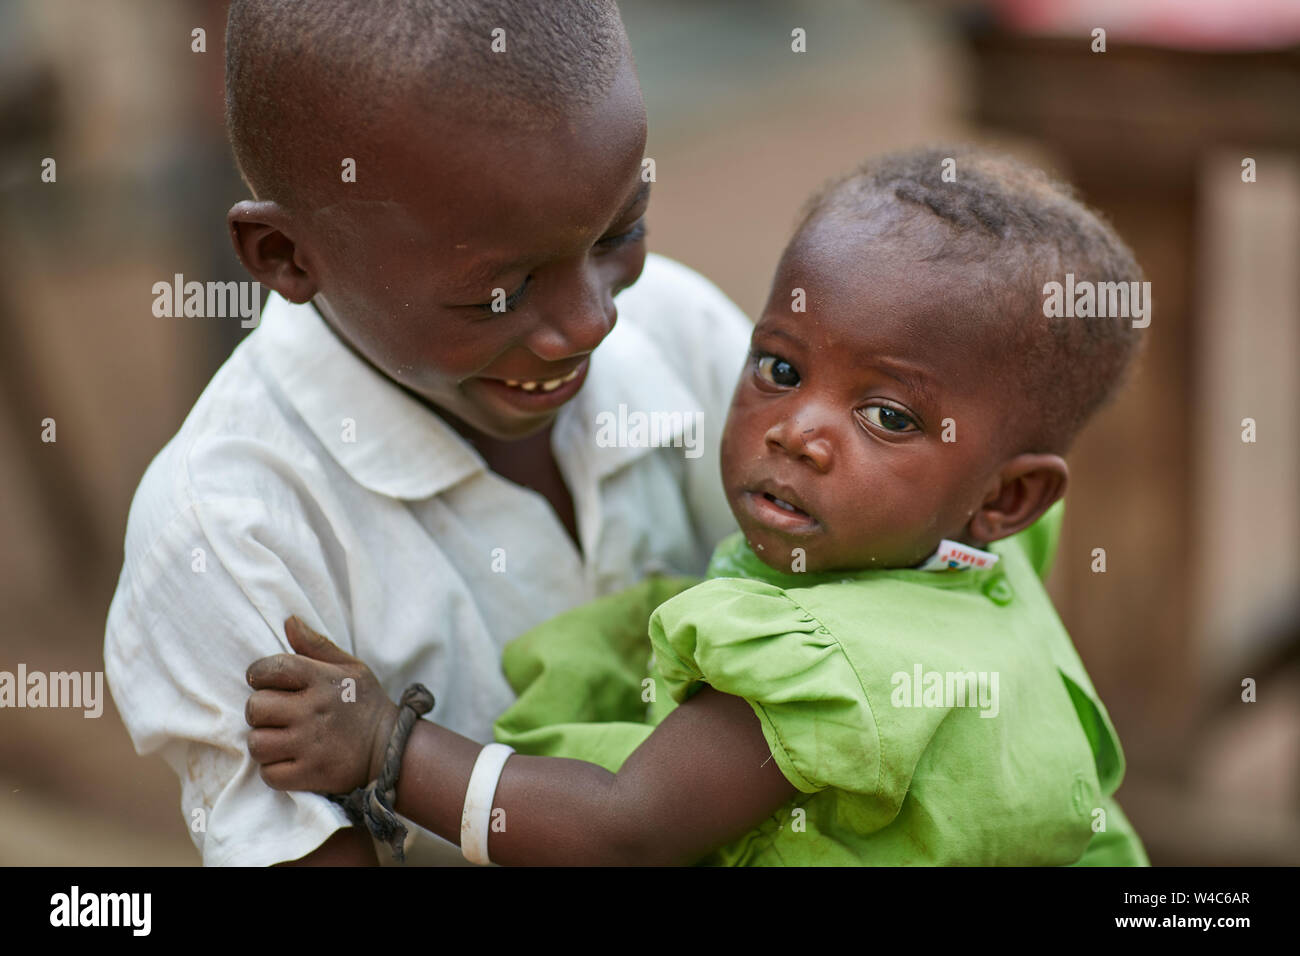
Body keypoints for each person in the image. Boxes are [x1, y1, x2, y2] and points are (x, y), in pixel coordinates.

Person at [244, 146, 1150, 865]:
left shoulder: (830, 671)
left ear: (1007, 497)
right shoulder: (970, 558)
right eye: (782, 369)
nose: (798, 432)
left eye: (887, 417)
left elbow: (621, 830)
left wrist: (385, 749)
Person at [103, 0, 752, 866]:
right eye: (504, 292)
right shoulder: (227, 534)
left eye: (618, 231)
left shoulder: (679, 331)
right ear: (285, 258)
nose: (593, 321)